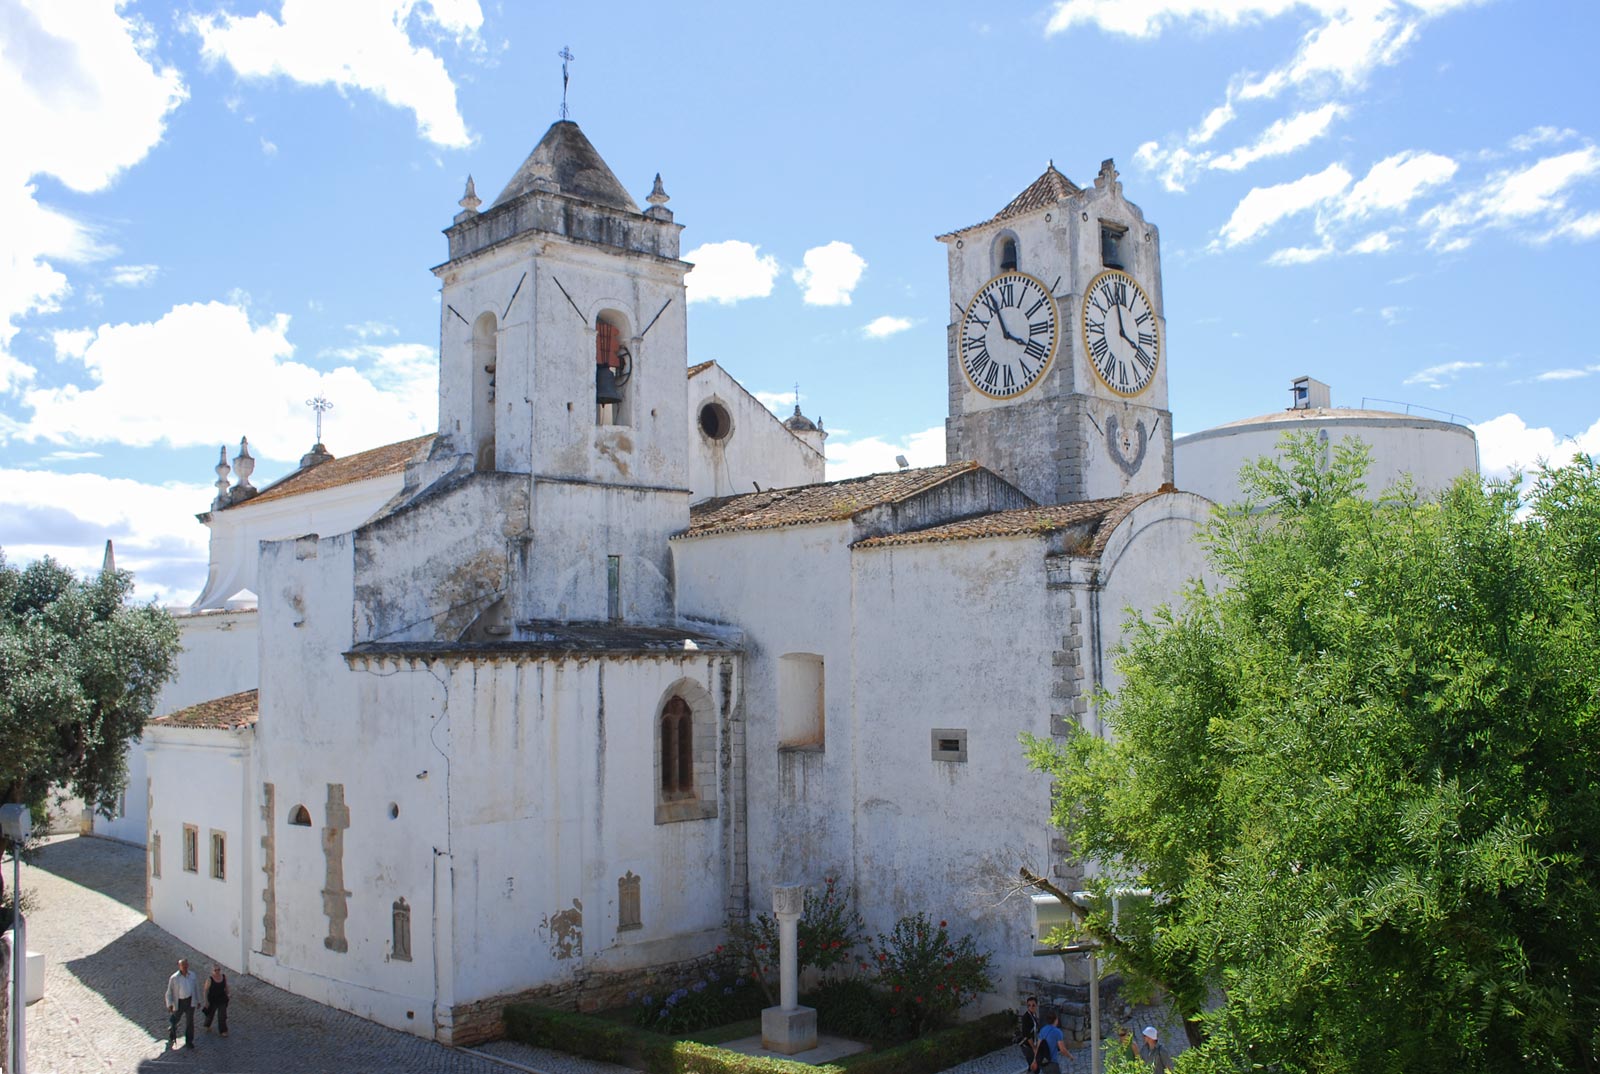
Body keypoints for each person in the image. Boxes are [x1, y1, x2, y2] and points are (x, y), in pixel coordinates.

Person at [165, 958, 200, 1051]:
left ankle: (189, 1041)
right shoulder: (174, 978)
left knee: (190, 1022)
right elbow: (169, 992)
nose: (185, 967)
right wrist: (169, 1004)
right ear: (179, 966)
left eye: (186, 965)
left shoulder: (192, 975)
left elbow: (196, 988)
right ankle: (172, 1031)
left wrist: (198, 1001)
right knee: (175, 1019)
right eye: (182, 966)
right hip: (179, 1002)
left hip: (189, 1001)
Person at [201, 963, 230, 1036]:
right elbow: (205, 990)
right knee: (210, 1014)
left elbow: (226, 986)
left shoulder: (223, 977)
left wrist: (228, 993)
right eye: (215, 970)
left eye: (218, 970)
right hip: (212, 1000)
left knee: (222, 1015)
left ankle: (223, 1031)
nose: (217, 971)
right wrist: (206, 1001)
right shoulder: (209, 979)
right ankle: (207, 1025)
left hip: (222, 999)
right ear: (212, 971)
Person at [1016, 995, 1041, 1069]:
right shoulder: (1026, 1017)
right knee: (1033, 1067)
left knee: (1035, 1066)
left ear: (1036, 1005)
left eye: (1033, 1005)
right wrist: (1033, 1047)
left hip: (1034, 1043)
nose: (1031, 1007)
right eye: (1029, 1005)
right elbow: (1027, 1034)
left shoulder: (1033, 1015)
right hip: (1028, 1045)